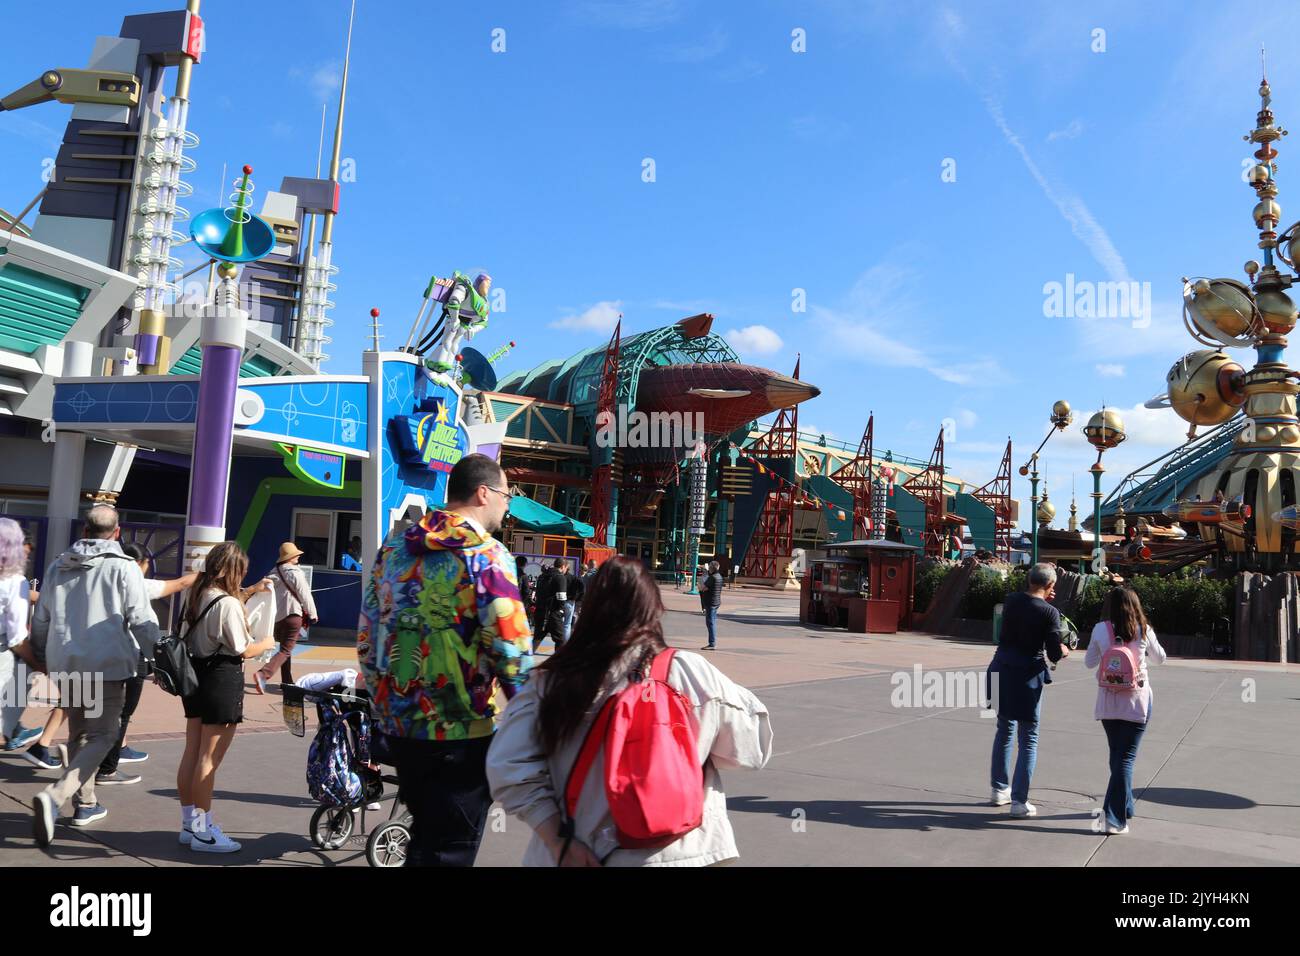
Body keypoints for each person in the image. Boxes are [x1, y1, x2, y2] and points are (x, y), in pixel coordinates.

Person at [486, 557, 773, 866]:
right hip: (683, 853)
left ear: (588, 610)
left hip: (580, 853)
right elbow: (751, 751)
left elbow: (506, 766)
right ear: (654, 610)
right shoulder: (689, 672)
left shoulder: (550, 682)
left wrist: (558, 839)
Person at [358, 453, 533, 866]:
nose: (508, 506)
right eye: (506, 495)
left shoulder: (394, 548)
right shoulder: (487, 556)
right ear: (483, 492)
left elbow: (366, 637)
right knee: (451, 848)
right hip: (461, 733)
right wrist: (532, 719)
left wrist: (385, 705)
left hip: (400, 728)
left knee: (425, 840)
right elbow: (511, 650)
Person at [28, 505, 160, 846]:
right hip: (107, 663)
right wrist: (156, 655)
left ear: (85, 531)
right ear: (117, 533)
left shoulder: (59, 564)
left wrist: (41, 654)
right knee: (104, 735)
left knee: (80, 734)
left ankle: (85, 803)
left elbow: (42, 616)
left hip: (66, 660)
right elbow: (141, 619)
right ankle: (56, 796)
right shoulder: (124, 567)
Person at [175, 542, 276, 852]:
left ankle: (190, 824)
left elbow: (218, 610)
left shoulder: (197, 595)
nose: (244, 575)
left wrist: (250, 591)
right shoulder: (228, 604)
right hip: (221, 679)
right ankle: (204, 832)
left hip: (194, 677)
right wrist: (268, 642)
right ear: (231, 571)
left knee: (192, 752)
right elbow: (244, 648)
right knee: (209, 759)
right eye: (241, 571)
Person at [95, 544, 197, 785]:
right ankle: (107, 769)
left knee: (100, 712)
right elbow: (180, 584)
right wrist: (204, 573)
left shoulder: (102, 584)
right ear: (139, 564)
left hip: (99, 654)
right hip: (131, 656)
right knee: (123, 713)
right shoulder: (137, 585)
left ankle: (105, 756)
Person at [986, 562, 1069, 818]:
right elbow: (1054, 652)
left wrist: (1043, 593)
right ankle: (1019, 801)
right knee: (1028, 738)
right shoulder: (1050, 612)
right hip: (1026, 677)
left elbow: (1027, 605)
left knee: (1004, 728)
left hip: (999, 669)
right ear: (1050, 586)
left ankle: (999, 789)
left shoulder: (1012, 601)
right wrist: (1066, 650)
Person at [1084, 587, 1166, 834]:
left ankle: (1126, 805)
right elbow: (1160, 658)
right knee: (1126, 758)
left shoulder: (1100, 629)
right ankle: (1115, 819)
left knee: (1117, 754)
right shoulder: (1143, 629)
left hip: (1108, 701)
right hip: (1137, 700)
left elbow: (1089, 662)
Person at [252, 541, 318, 693]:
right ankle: (264, 674)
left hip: (277, 618)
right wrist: (313, 614)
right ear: (290, 558)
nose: (298, 557)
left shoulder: (272, 574)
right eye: (296, 555)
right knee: (287, 650)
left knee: (284, 648)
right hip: (293, 614)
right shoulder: (296, 573)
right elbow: (305, 594)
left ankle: (287, 681)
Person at [0, 519, 41, 751]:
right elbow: (17, 638)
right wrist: (38, 664)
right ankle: (12, 732)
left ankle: (14, 731)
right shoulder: (15, 581)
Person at [535, 558, 583, 654]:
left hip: (542, 609)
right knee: (561, 637)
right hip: (555, 611)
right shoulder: (560, 577)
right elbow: (561, 596)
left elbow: (538, 592)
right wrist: (561, 608)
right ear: (563, 567)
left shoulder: (543, 576)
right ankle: (558, 659)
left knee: (538, 636)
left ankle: (528, 655)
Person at [699, 560, 724, 650]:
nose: (708, 568)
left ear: (712, 568)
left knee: (710, 623)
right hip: (716, 602)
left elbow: (703, 588)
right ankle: (712, 642)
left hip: (711, 602)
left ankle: (712, 643)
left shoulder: (712, 577)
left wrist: (702, 581)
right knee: (712, 621)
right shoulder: (719, 576)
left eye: (709, 567)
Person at [516, 556, 537, 622]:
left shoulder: (509, 573)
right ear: (525, 564)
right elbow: (526, 592)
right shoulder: (523, 576)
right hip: (519, 603)